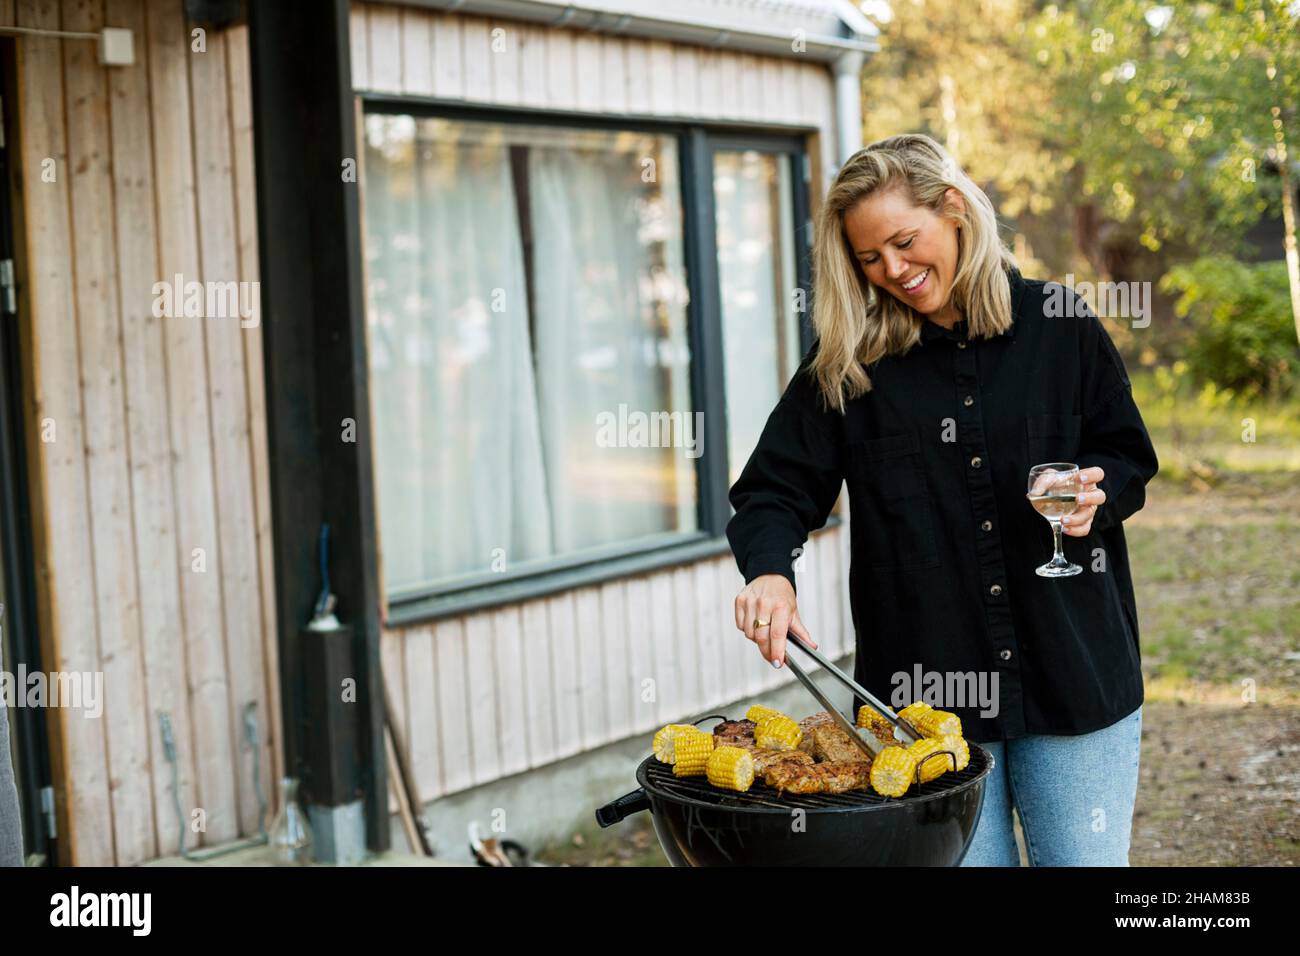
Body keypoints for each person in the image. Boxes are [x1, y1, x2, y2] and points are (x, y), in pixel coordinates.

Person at [726, 133, 1158, 866]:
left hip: (1074, 676)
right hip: (922, 704)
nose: (893, 270)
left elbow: (1126, 454)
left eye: (903, 241)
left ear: (952, 209)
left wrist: (1097, 494)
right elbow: (773, 489)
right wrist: (770, 569)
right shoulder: (849, 363)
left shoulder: (1059, 323)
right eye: (869, 258)